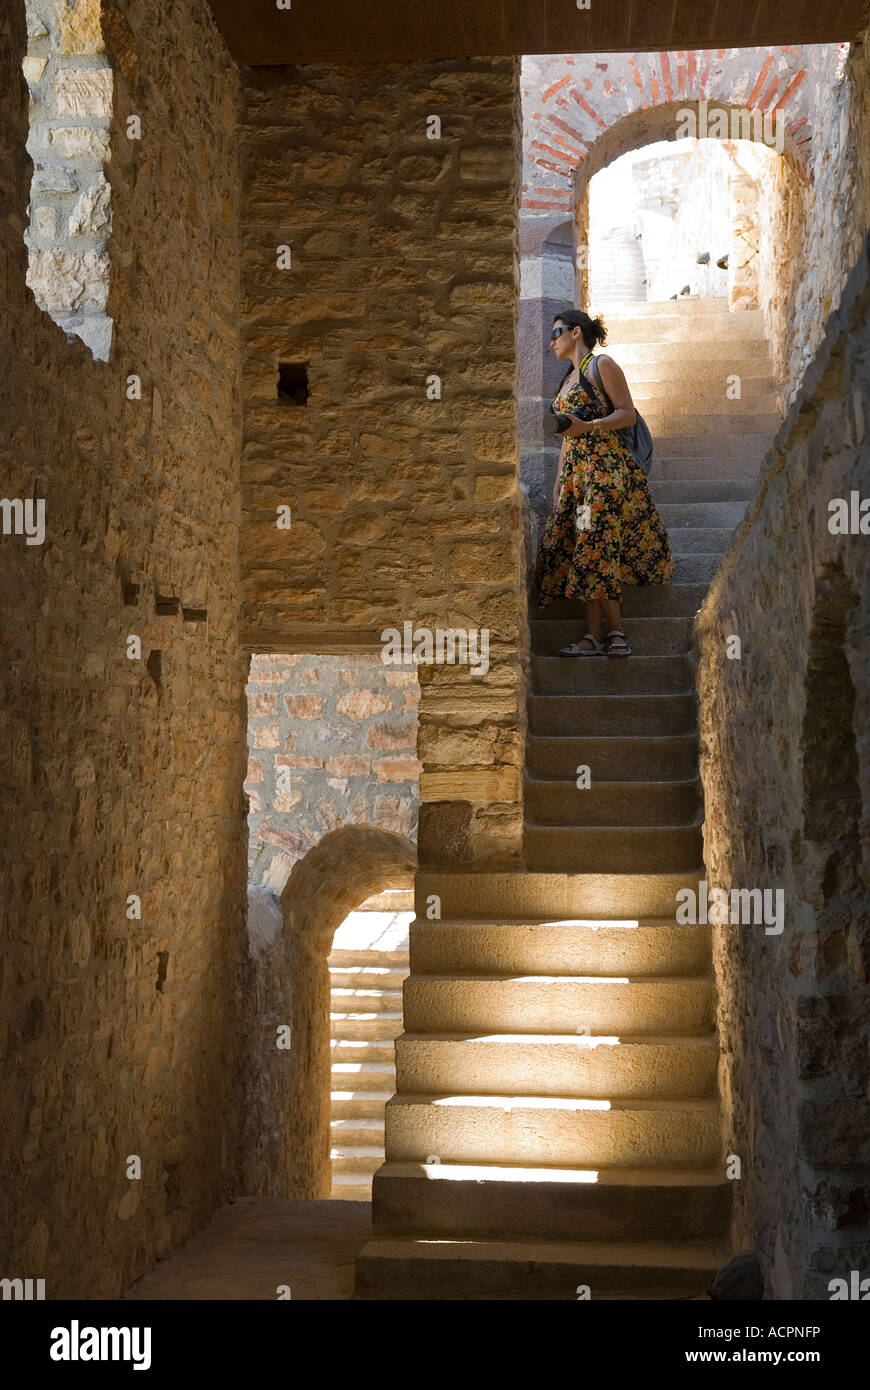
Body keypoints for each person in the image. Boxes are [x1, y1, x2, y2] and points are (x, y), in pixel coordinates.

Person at [534, 308, 675, 656]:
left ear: (577, 332)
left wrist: (588, 427)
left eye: (557, 332)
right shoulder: (568, 378)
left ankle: (616, 633)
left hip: (607, 471)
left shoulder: (602, 365)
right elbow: (568, 435)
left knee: (597, 543)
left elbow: (627, 412)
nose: (552, 340)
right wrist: (558, 483)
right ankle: (594, 636)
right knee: (588, 546)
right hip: (578, 480)